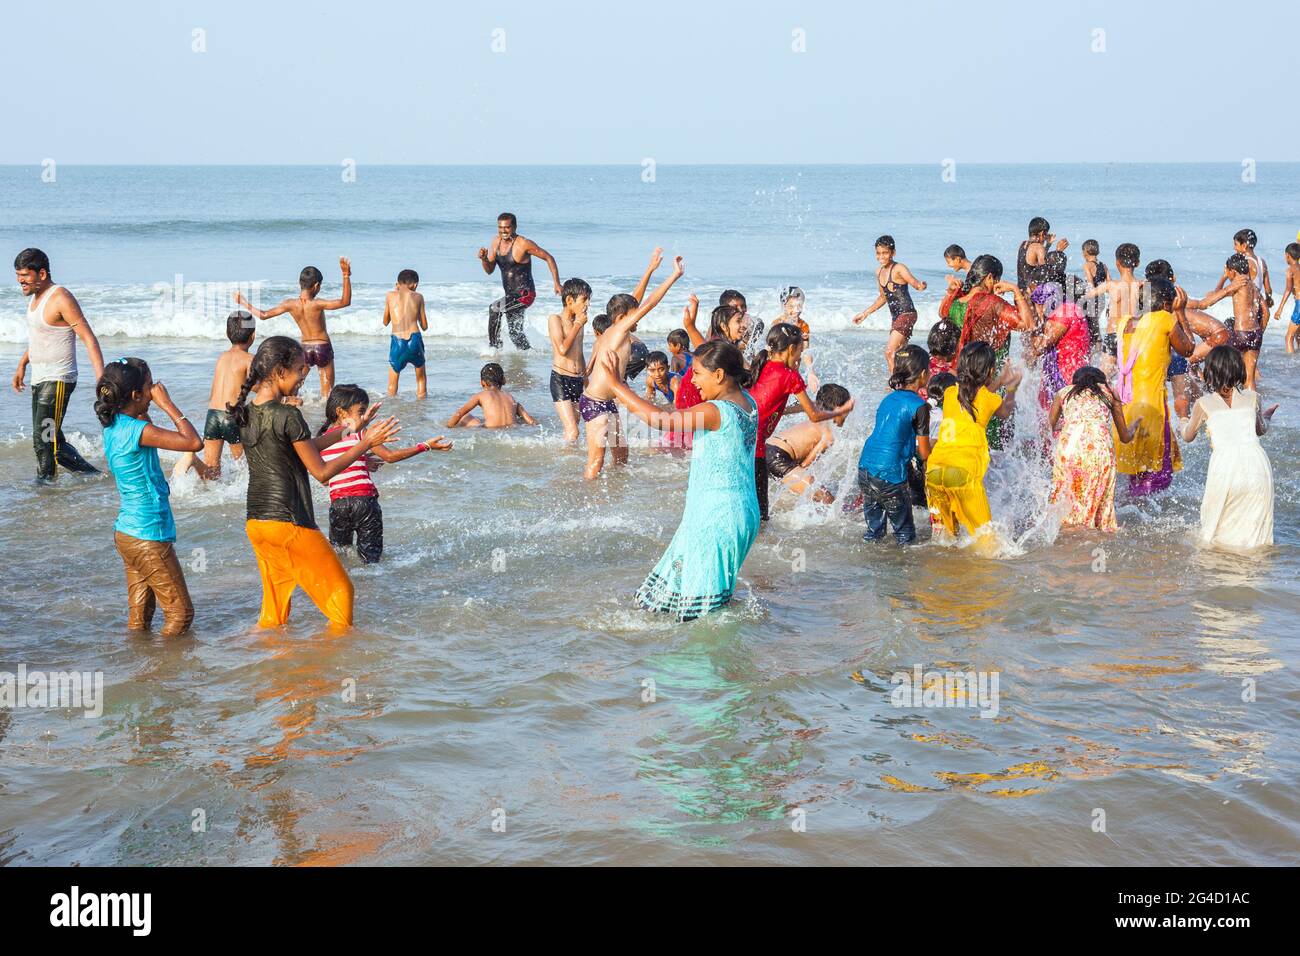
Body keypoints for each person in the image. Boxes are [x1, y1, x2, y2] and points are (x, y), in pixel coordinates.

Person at [227, 336, 401, 628]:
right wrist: (365, 442)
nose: (301, 380)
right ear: (280, 372)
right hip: (290, 523)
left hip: (257, 524)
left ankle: (269, 663)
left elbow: (307, 446)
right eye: (298, 371)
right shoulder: (288, 414)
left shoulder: (246, 414)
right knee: (341, 592)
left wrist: (349, 430)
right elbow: (321, 472)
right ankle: (329, 663)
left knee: (275, 607)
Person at [598, 341, 760, 621]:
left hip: (717, 515)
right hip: (740, 512)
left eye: (697, 373)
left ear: (719, 375)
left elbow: (660, 419)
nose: (692, 380)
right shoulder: (749, 402)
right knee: (705, 599)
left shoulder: (715, 411)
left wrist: (617, 386)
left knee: (701, 615)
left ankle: (703, 662)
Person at [94, 358, 202, 637]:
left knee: (140, 618)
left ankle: (140, 670)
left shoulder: (115, 425)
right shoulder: (140, 431)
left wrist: (146, 398)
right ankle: (165, 671)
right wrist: (167, 403)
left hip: (127, 534)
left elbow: (144, 419)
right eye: (150, 386)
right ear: (135, 395)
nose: (155, 390)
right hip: (148, 535)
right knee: (181, 614)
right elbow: (193, 442)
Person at [319, 384, 451, 563]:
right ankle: (373, 587)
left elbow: (327, 478)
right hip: (365, 503)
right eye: (361, 412)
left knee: (340, 555)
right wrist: (425, 446)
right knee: (371, 560)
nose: (365, 417)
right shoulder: (361, 434)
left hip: (338, 505)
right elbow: (390, 456)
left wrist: (363, 460)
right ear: (341, 413)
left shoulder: (321, 441)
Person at [579, 254, 684, 478]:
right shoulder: (617, 330)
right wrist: (674, 276)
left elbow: (635, 300)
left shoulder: (615, 329)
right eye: (633, 316)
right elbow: (648, 304)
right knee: (596, 461)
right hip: (595, 403)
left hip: (607, 403)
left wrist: (650, 270)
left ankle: (614, 494)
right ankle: (585, 500)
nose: (638, 320)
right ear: (621, 318)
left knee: (621, 457)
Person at [11, 247, 105, 481]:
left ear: (42, 274)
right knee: (53, 440)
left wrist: (102, 381)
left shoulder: (61, 297)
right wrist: (23, 364)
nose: (20, 281)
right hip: (40, 378)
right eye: (18, 276)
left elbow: (89, 339)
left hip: (58, 379)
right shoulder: (35, 298)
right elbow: (39, 337)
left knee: (43, 440)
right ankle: (93, 476)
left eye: (25, 276)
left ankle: (44, 489)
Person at [747, 322, 853, 521]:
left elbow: (775, 404)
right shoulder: (790, 376)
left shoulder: (764, 366)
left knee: (753, 508)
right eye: (800, 353)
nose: (799, 359)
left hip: (751, 444)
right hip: (764, 452)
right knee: (763, 515)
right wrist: (843, 410)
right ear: (791, 349)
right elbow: (813, 415)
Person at [1178, 345, 1276, 551]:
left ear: (1209, 373)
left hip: (1225, 468)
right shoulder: (1253, 398)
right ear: (1240, 371)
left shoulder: (1203, 403)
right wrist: (1266, 416)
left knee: (1216, 529)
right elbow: (1261, 429)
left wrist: (1182, 419)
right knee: (1254, 533)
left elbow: (1188, 436)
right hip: (1257, 464)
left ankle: (1222, 574)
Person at [924, 342, 1021, 545]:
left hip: (934, 471)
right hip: (963, 474)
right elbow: (1003, 412)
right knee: (987, 542)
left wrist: (998, 382)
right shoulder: (991, 399)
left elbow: (975, 397)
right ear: (991, 371)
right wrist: (1011, 388)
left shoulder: (950, 393)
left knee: (944, 539)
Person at [1113, 279, 1195, 496]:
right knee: (1158, 476)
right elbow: (1188, 349)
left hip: (1126, 409)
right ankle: (1145, 522)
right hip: (1152, 409)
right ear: (1167, 304)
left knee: (1137, 474)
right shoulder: (1165, 319)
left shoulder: (1124, 323)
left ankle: (1131, 515)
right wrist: (1182, 313)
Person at [234, 258, 351, 398]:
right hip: (322, 347)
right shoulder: (318, 304)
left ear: (300, 284)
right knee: (327, 394)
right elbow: (345, 302)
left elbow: (263, 315)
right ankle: (323, 418)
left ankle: (295, 408)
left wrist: (243, 302)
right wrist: (346, 275)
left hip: (304, 349)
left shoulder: (290, 304)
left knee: (295, 387)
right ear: (316, 286)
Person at [952, 254, 1034, 449]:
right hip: (993, 377)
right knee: (996, 438)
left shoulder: (956, 304)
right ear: (989, 277)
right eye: (996, 279)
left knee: (967, 428)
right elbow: (1027, 324)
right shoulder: (993, 303)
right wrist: (1015, 290)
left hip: (962, 377)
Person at [1047, 366, 1140, 532]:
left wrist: (1071, 424)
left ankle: (1067, 538)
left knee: (1068, 497)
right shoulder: (1108, 393)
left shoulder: (1064, 392)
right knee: (1098, 499)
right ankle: (1095, 534)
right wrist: (1135, 426)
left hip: (1070, 448)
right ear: (1101, 382)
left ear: (1075, 382)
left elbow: (1049, 427)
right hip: (1099, 449)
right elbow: (1125, 437)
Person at [858, 345, 932, 544]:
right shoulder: (920, 405)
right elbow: (925, 453)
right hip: (889, 474)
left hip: (865, 467)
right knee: (905, 537)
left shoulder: (888, 399)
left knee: (874, 534)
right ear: (923, 374)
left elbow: (890, 436)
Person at [174, 310, 256, 479]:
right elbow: (256, 386)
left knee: (212, 473)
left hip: (212, 416)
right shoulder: (249, 359)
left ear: (227, 334)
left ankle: (193, 460)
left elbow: (214, 390)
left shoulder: (222, 357)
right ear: (253, 335)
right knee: (246, 471)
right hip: (232, 416)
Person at [477, 212, 561, 351]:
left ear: (515, 227)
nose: (503, 231)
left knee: (494, 309)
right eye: (500, 228)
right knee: (516, 335)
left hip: (525, 294)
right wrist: (484, 259)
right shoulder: (495, 242)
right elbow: (489, 270)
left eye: (507, 227)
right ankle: (531, 355)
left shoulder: (523, 244)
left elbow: (549, 257)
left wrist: (556, 283)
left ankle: (494, 349)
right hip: (511, 296)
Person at [765, 383, 852, 505]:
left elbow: (790, 409)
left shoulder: (815, 413)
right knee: (826, 498)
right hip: (778, 456)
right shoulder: (828, 434)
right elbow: (805, 465)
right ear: (839, 410)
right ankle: (848, 515)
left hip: (767, 448)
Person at [852, 235, 927, 371]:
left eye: (885, 253)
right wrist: (865, 313)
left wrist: (921, 285)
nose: (881, 256)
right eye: (878, 253)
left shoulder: (899, 268)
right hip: (896, 317)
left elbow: (914, 283)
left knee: (889, 352)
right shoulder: (879, 272)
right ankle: (912, 376)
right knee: (901, 355)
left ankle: (895, 384)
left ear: (893, 253)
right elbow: (883, 297)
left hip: (907, 313)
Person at [1190, 255, 1265, 390]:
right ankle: (1254, 408)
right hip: (1255, 333)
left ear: (1233, 271)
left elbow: (1206, 302)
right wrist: (1261, 331)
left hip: (1240, 334)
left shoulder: (1237, 284)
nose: (1227, 275)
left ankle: (1226, 404)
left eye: (1227, 272)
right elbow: (1266, 312)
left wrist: (1195, 304)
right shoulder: (1253, 286)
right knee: (1249, 378)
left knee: (1227, 374)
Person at [1080, 243, 1144, 375]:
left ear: (1117, 263)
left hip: (1113, 335)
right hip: (1133, 337)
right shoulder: (1144, 286)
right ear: (1137, 263)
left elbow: (1087, 296)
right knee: (1132, 375)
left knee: (1105, 376)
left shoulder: (1111, 285)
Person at [1028, 282, 1091, 409]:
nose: (1036, 308)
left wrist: (1036, 318)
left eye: (1037, 304)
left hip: (1065, 375)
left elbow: (1039, 348)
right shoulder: (1069, 308)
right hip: (1075, 370)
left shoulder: (1062, 314)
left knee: (1058, 417)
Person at [546, 277, 592, 441]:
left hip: (577, 380)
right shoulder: (555, 319)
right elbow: (562, 349)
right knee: (573, 431)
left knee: (574, 429)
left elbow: (578, 353)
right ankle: (567, 462)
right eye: (584, 300)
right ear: (569, 300)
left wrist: (587, 381)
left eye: (588, 300)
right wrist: (578, 324)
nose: (587, 304)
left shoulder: (579, 322)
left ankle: (567, 456)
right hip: (560, 379)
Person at [446, 362, 537, 428]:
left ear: (482, 383)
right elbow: (531, 421)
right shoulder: (510, 397)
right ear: (504, 380)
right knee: (518, 419)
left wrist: (448, 427)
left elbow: (458, 414)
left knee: (465, 417)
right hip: (511, 429)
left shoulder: (480, 395)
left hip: (490, 430)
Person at [384, 269, 429, 398]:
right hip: (414, 339)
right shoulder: (419, 297)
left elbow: (385, 321)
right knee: (421, 380)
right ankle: (421, 409)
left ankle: (392, 408)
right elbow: (425, 326)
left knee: (392, 385)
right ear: (415, 284)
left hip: (397, 340)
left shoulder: (390, 295)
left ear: (397, 283)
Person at [1017, 217, 1068, 292]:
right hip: (1032, 296)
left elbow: (1037, 260)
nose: (1046, 237)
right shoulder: (1038, 247)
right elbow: (1047, 273)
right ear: (1042, 233)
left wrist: (1048, 245)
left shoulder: (1023, 244)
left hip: (1021, 291)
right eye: (1046, 234)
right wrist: (1058, 252)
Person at [1275, 242, 1300, 353]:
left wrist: (1280, 309)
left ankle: (1291, 364)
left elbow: (1288, 290)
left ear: (1288, 255)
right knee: (1298, 335)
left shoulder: (1290, 270)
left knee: (1289, 337)